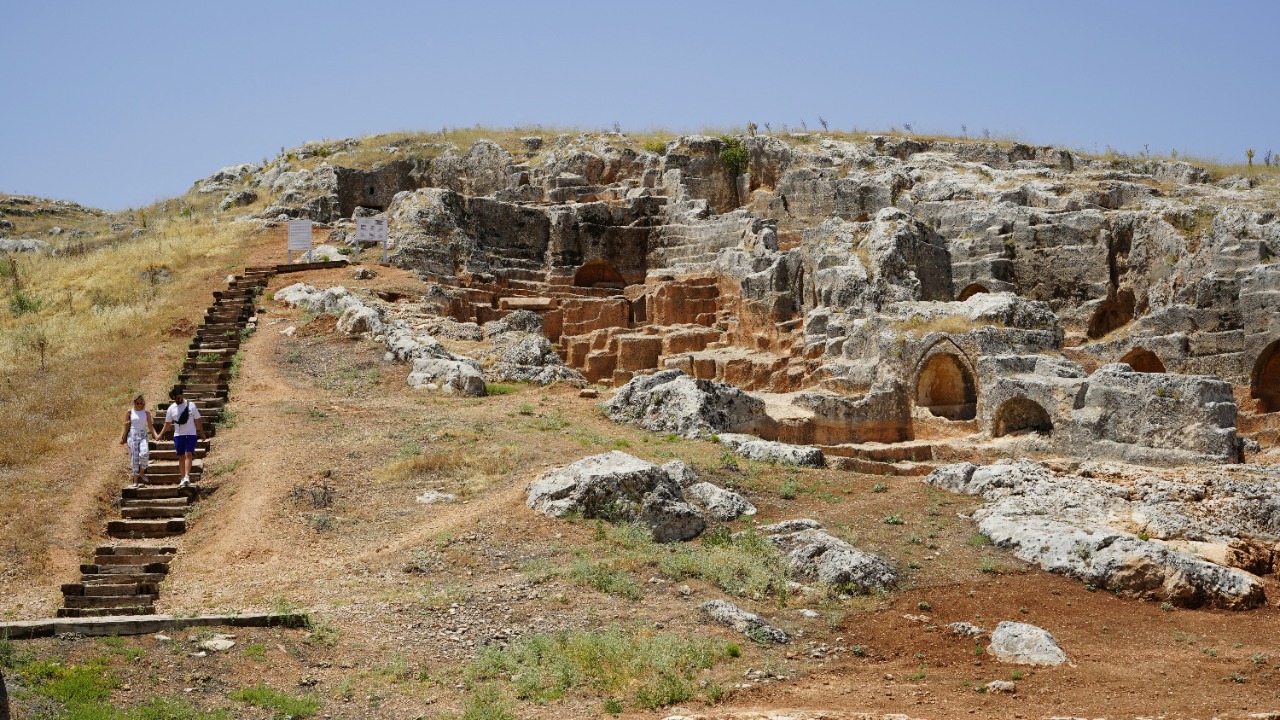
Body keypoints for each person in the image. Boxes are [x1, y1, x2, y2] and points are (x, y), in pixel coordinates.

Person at [156, 386, 204, 488]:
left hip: (191, 434)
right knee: (181, 456)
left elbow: (198, 420)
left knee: (188, 453)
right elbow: (168, 423)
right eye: (175, 398)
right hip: (178, 435)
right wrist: (160, 434)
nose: (177, 400)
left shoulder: (191, 406)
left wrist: (201, 432)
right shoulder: (171, 408)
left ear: (182, 395)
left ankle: (187, 476)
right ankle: (183, 478)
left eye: (178, 397)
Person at [119, 394, 152, 487]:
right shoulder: (130, 412)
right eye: (137, 403)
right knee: (134, 458)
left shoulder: (146, 413)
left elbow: (150, 425)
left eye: (141, 403)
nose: (139, 405)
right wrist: (122, 437)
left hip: (143, 435)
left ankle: (142, 472)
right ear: (134, 403)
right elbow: (125, 426)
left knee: (145, 453)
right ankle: (135, 480)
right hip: (132, 436)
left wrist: (156, 434)